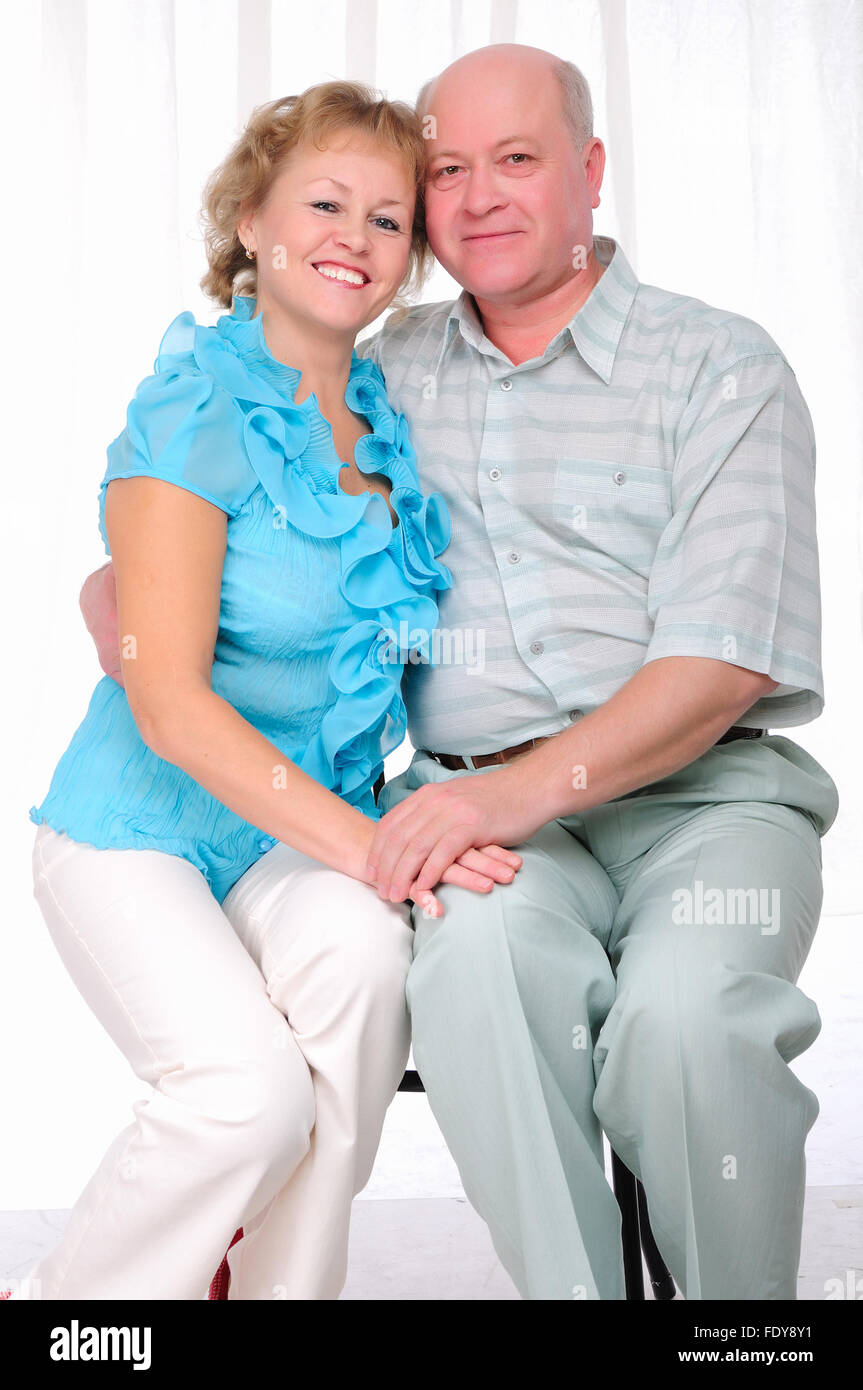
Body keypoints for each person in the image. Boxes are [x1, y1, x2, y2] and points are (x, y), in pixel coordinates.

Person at [80, 44, 841, 1301]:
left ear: (590, 174)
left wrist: (498, 798)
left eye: (518, 161)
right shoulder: (381, 370)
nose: (478, 196)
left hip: (702, 807)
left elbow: (718, 667)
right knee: (477, 973)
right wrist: (119, 609)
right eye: (446, 171)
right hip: (472, 818)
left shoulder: (719, 368)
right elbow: (192, 505)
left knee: (684, 1029)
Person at [13, 80, 522, 1302]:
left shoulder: (393, 421)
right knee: (245, 1097)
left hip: (292, 838)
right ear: (253, 221)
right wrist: (383, 847)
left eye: (389, 219)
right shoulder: (196, 402)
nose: (354, 235)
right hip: (141, 826)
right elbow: (171, 705)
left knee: (362, 970)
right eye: (325, 202)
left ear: (408, 260)